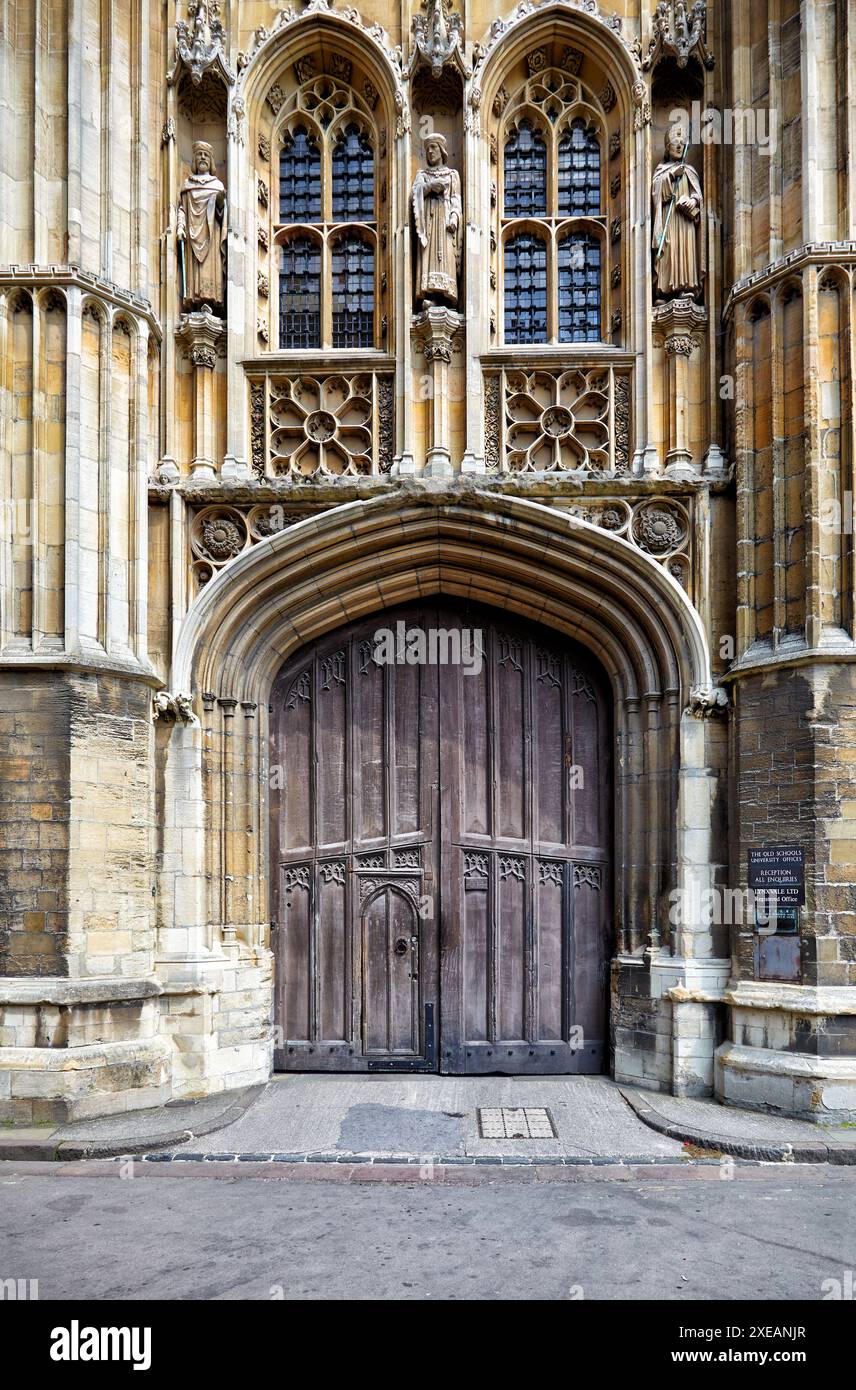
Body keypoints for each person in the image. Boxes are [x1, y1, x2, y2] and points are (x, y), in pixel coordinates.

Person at [651, 126, 704, 298]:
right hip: (669, 217)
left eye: (682, 143)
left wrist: (692, 201)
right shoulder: (661, 171)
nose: (680, 146)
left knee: (684, 251)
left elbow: (698, 196)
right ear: (668, 147)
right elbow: (656, 193)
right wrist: (672, 175)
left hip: (685, 221)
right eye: (676, 143)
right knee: (669, 249)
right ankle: (665, 291)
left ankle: (685, 288)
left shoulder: (689, 171)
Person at [411, 133, 462, 309]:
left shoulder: (452, 174)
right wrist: (429, 187)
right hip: (429, 222)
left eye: (433, 147)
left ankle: (446, 298)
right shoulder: (422, 175)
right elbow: (415, 196)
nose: (430, 152)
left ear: (441, 150)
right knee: (429, 256)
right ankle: (430, 295)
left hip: (446, 221)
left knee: (446, 256)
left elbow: (456, 199)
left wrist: (454, 216)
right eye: (427, 149)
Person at [176, 141, 227, 310]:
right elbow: (182, 209)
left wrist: (219, 203)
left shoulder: (217, 185)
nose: (202, 158)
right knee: (194, 270)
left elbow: (221, 214)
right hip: (192, 235)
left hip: (212, 235)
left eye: (206, 155)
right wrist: (180, 226)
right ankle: (194, 300)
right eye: (199, 154)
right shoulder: (187, 185)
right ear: (195, 159)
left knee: (210, 268)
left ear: (211, 160)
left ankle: (211, 299)